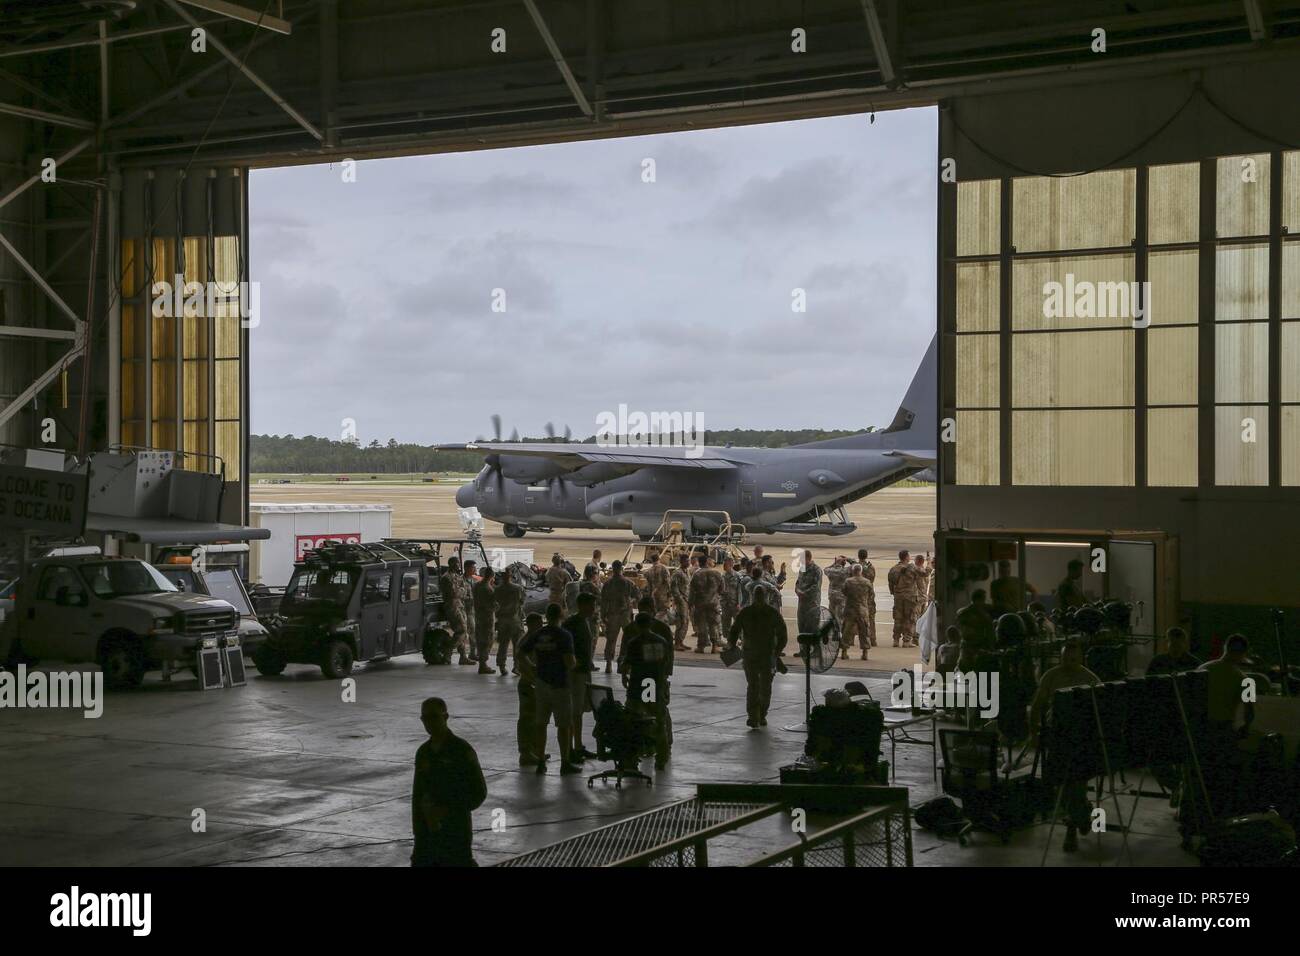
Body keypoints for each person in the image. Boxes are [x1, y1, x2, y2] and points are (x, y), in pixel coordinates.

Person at [1028, 640, 1099, 852]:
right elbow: (1037, 706)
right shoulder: (1051, 676)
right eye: (1066, 658)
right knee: (1060, 783)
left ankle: (1071, 829)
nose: (1069, 662)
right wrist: (1033, 733)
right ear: (1061, 657)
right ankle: (1083, 813)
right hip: (1056, 735)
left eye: (1074, 659)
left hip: (1081, 739)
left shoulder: (1091, 679)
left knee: (1075, 784)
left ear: (1081, 658)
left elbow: (1101, 713)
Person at [411, 697, 487, 867]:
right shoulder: (423, 753)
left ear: (445, 717)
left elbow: (479, 792)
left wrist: (448, 810)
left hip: (455, 832)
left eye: (434, 717)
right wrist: (419, 832)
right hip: (428, 835)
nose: (429, 723)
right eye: (425, 718)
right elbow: (418, 796)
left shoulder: (461, 750)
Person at [516, 603, 581, 775]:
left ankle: (540, 762)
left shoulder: (538, 634)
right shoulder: (564, 635)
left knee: (541, 724)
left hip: (541, 684)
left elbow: (520, 654)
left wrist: (532, 667)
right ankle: (565, 762)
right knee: (564, 725)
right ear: (561, 615)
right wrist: (575, 663)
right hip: (560, 684)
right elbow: (569, 661)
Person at [618, 596, 674, 769]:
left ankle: (634, 756)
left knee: (634, 720)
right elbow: (667, 660)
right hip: (655, 683)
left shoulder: (635, 642)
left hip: (640, 685)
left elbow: (626, 662)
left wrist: (624, 674)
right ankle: (662, 756)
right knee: (658, 719)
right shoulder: (661, 639)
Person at [728, 587, 787, 728]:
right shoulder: (772, 613)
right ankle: (761, 715)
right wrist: (777, 652)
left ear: (752, 596)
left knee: (753, 686)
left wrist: (732, 647)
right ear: (766, 596)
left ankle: (754, 716)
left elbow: (734, 631)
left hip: (751, 654)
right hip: (766, 655)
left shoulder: (746, 612)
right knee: (765, 687)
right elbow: (783, 636)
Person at [564, 593, 599, 761]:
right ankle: (571, 748)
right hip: (575, 673)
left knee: (579, 711)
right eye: (591, 605)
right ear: (582, 605)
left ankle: (577, 745)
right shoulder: (572, 624)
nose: (593, 609)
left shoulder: (585, 622)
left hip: (583, 671)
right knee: (575, 712)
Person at [599, 560, 639, 673]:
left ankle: (608, 664)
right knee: (628, 639)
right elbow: (637, 595)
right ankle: (625, 663)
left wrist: (603, 616)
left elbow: (603, 602)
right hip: (625, 614)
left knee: (611, 640)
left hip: (612, 614)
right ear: (621, 569)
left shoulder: (607, 584)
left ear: (613, 569)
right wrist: (630, 602)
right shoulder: (628, 582)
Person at [515, 614, 544, 766]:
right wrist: (533, 677)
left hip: (532, 684)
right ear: (532, 625)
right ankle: (526, 752)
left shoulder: (532, 640)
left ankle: (534, 750)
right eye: (539, 624)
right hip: (528, 684)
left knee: (534, 719)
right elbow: (522, 662)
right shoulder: (527, 641)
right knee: (527, 720)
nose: (541, 627)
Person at [439, 558, 474, 665]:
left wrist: (462, 591)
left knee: (462, 631)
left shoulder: (457, 576)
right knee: (462, 631)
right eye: (457, 563)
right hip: (452, 607)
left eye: (458, 563)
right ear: (451, 564)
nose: (458, 565)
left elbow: (465, 590)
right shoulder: (446, 577)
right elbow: (454, 593)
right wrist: (462, 591)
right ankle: (448, 651)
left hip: (461, 606)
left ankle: (463, 657)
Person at [493, 567, 526, 675]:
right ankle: (516, 666)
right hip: (514, 620)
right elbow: (522, 601)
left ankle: (502, 666)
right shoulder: (518, 588)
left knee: (503, 644)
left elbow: (494, 603)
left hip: (502, 620)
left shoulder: (497, 589)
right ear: (511, 575)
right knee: (517, 644)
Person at [688, 556, 723, 653]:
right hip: (713, 603)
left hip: (700, 603)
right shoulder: (717, 573)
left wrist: (690, 603)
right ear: (707, 562)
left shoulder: (696, 574)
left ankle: (701, 646)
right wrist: (715, 595)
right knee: (713, 624)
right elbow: (722, 589)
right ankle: (715, 646)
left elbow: (692, 591)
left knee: (701, 625)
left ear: (699, 563)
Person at [956, 589, 996, 671]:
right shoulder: (967, 613)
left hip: (978, 645)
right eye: (983, 600)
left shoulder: (982, 610)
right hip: (971, 645)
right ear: (978, 600)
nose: (984, 602)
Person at [840, 564, 873, 661]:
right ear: (861, 571)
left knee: (847, 631)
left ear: (853, 571)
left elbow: (844, 592)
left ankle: (844, 652)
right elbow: (871, 594)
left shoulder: (848, 581)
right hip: (862, 609)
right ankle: (865, 653)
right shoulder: (867, 582)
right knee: (864, 631)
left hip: (850, 609)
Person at [471, 566, 496, 674]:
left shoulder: (476, 585)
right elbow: (493, 605)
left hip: (478, 616)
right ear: (492, 576)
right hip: (487, 617)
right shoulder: (488, 589)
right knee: (488, 639)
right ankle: (483, 664)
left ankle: (482, 661)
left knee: (480, 639)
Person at [794, 549, 823, 636]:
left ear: (808, 558)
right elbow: (798, 582)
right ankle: (803, 645)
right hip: (802, 604)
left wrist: (804, 593)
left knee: (812, 628)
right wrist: (797, 590)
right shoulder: (802, 569)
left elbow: (816, 587)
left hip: (812, 604)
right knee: (801, 627)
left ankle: (813, 645)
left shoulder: (816, 570)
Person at [856, 547, 878, 646]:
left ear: (858, 556)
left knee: (855, 617)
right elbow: (872, 579)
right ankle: (873, 639)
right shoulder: (870, 567)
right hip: (868, 595)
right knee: (871, 617)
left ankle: (851, 639)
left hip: (857, 596)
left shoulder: (855, 567)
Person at [669, 554, 691, 650]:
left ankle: (681, 641)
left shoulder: (687, 572)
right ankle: (677, 643)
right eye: (687, 561)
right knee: (681, 621)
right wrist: (680, 599)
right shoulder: (677, 573)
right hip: (681, 601)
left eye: (688, 561)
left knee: (685, 622)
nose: (688, 563)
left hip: (686, 600)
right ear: (682, 562)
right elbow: (674, 588)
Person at [460, 560, 479, 663]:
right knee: (466, 633)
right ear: (467, 568)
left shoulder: (473, 580)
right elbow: (459, 596)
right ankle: (464, 655)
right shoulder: (460, 581)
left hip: (472, 610)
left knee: (474, 632)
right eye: (473, 567)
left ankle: (472, 653)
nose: (475, 569)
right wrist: (470, 599)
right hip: (464, 610)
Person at [642, 552, 671, 622]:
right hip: (663, 594)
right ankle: (655, 622)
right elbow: (668, 582)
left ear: (652, 560)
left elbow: (648, 584)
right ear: (659, 558)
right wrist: (670, 593)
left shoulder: (649, 571)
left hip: (653, 595)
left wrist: (650, 594)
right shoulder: (664, 568)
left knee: (656, 611)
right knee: (663, 611)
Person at [719, 556, 741, 644]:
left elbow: (739, 590)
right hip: (725, 603)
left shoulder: (737, 576)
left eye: (726, 564)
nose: (724, 566)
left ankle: (739, 639)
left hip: (734, 603)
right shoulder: (722, 576)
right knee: (725, 623)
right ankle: (729, 640)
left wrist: (739, 602)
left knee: (738, 622)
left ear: (731, 564)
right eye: (724, 564)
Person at [824, 556, 850, 623]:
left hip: (832, 596)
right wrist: (848, 559)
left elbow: (825, 569)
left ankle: (833, 628)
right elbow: (857, 566)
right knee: (840, 617)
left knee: (832, 616)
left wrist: (835, 563)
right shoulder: (845, 571)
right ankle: (840, 628)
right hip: (841, 596)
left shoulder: (830, 571)